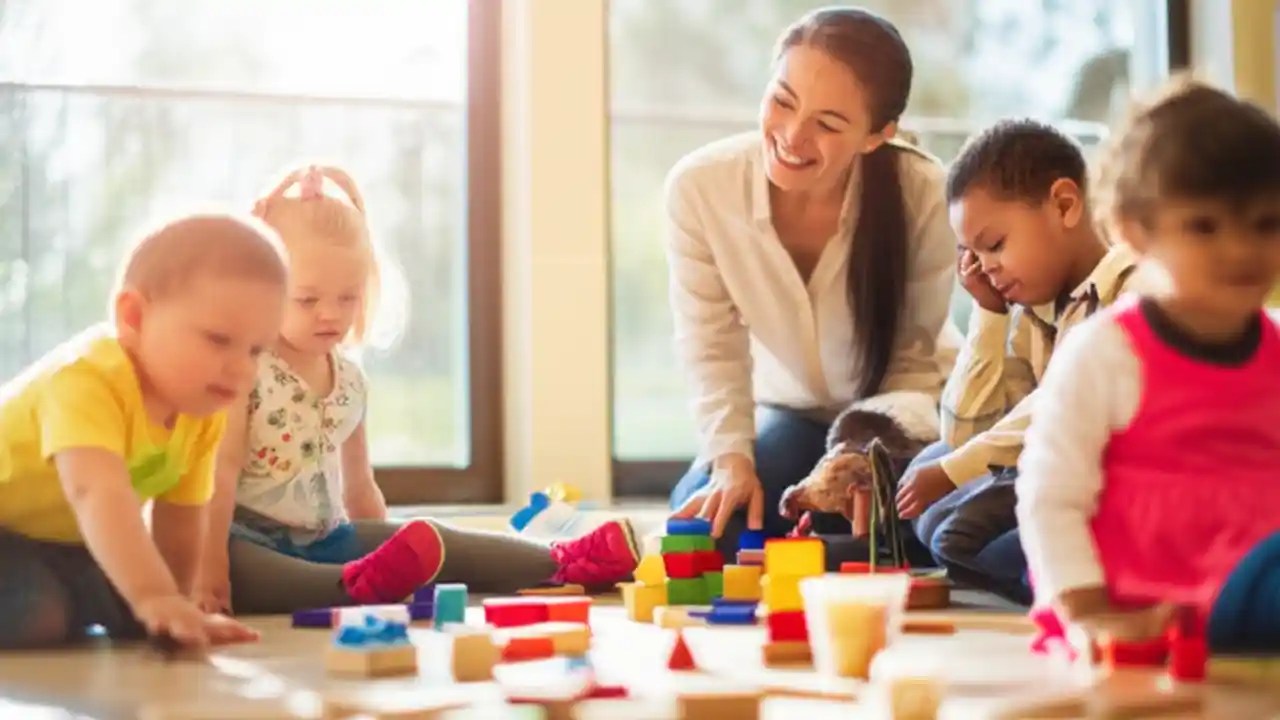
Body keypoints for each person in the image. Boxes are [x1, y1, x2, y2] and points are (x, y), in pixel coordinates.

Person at [195, 165, 640, 615]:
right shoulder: (246, 371)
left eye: (347, 298)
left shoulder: (349, 381)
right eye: (307, 300)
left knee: (435, 538)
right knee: (253, 571)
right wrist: (207, 567)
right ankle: (355, 586)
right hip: (241, 539)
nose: (330, 314)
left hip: (325, 537)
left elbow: (360, 488)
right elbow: (220, 474)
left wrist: (388, 547)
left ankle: (561, 562)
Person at [664, 7, 958, 557]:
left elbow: (912, 366)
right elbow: (711, 345)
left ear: (878, 135)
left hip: (892, 422)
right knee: (709, 533)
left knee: (898, 537)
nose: (793, 136)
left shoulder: (923, 194)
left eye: (828, 124)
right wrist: (730, 460)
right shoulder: (700, 189)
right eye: (781, 100)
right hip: (793, 414)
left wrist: (860, 459)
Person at [1019, 79, 1280, 651]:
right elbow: (1051, 494)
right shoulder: (1107, 352)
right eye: (1205, 227)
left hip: (1255, 594)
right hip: (1144, 607)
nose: (1241, 250)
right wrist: (1086, 609)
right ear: (1136, 230)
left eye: (1265, 225)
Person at [0, 213, 286, 648]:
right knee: (37, 616)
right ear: (133, 316)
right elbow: (95, 492)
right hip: (10, 531)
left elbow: (181, 518)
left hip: (65, 541)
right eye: (218, 339)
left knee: (135, 609)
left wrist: (175, 605)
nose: (243, 368)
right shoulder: (86, 379)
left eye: (256, 350)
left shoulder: (201, 408)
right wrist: (154, 596)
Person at [894, 119, 1145, 605]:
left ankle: (1089, 580)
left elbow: (1057, 408)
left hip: (1111, 483)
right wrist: (989, 314)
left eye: (994, 245)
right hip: (1050, 471)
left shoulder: (1132, 291)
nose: (985, 266)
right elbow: (965, 432)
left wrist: (953, 472)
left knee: (952, 533)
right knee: (934, 474)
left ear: (1065, 206)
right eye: (972, 255)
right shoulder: (1036, 309)